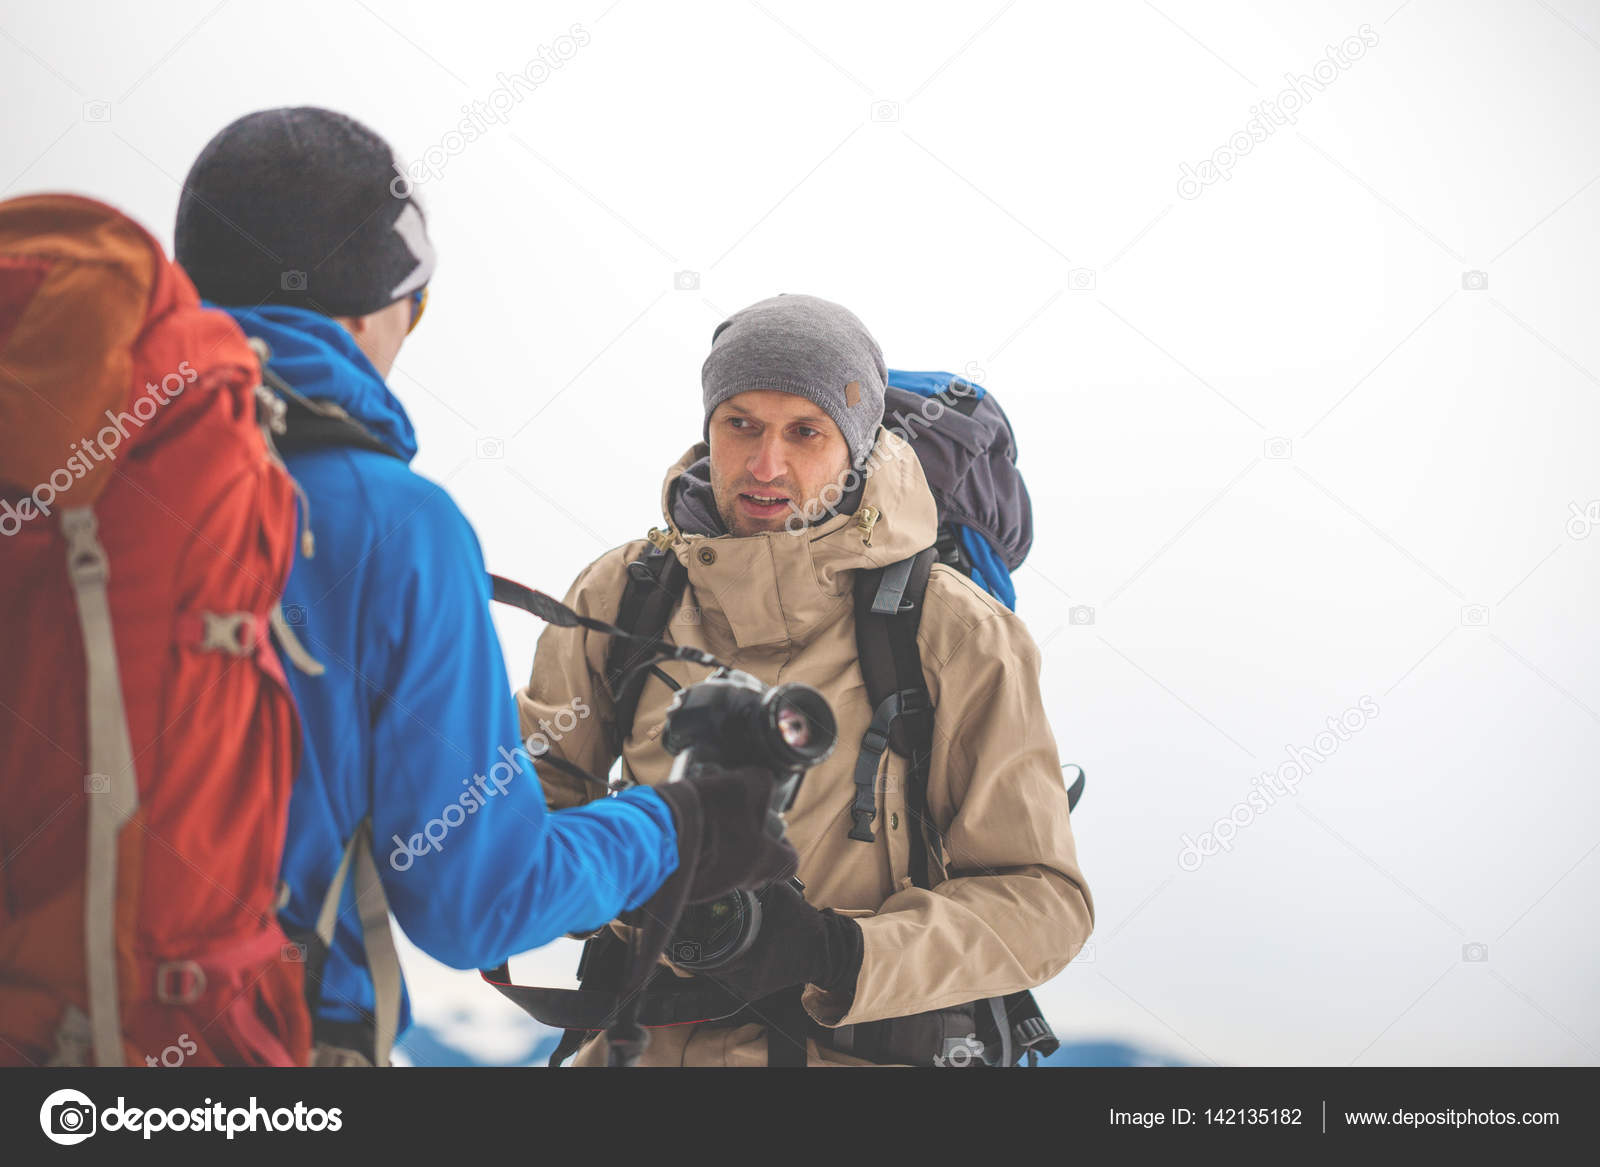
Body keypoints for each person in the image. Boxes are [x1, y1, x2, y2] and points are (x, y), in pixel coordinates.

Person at [173, 107, 792, 1067]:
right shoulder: (391, 525)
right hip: (258, 1058)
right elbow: (474, 901)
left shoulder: (56, 482)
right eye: (415, 306)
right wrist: (678, 822)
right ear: (380, 302)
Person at [517, 293, 1094, 1066]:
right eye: (741, 423)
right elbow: (529, 823)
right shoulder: (623, 595)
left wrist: (835, 954)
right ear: (708, 426)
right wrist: (627, 868)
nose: (766, 465)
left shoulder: (954, 629)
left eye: (804, 432)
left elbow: (1043, 901)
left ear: (855, 445)